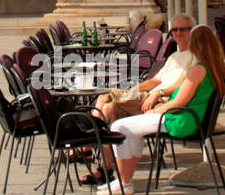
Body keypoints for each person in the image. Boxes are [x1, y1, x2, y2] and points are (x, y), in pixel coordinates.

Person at [98, 26, 225, 195]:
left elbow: (178, 101)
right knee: (133, 132)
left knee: (118, 127)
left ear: (195, 45)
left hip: (179, 120)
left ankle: (123, 182)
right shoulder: (218, 69)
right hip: (190, 120)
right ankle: (124, 181)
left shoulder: (198, 69)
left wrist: (155, 111)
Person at [80, 15, 195, 186]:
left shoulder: (193, 57)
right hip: (148, 95)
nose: (178, 33)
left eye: (183, 29)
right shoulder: (174, 57)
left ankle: (89, 148)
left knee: (107, 103)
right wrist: (135, 89)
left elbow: (182, 85)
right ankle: (103, 164)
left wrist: (157, 93)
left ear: (191, 32)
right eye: (175, 30)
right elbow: (155, 80)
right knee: (107, 104)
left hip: (159, 100)